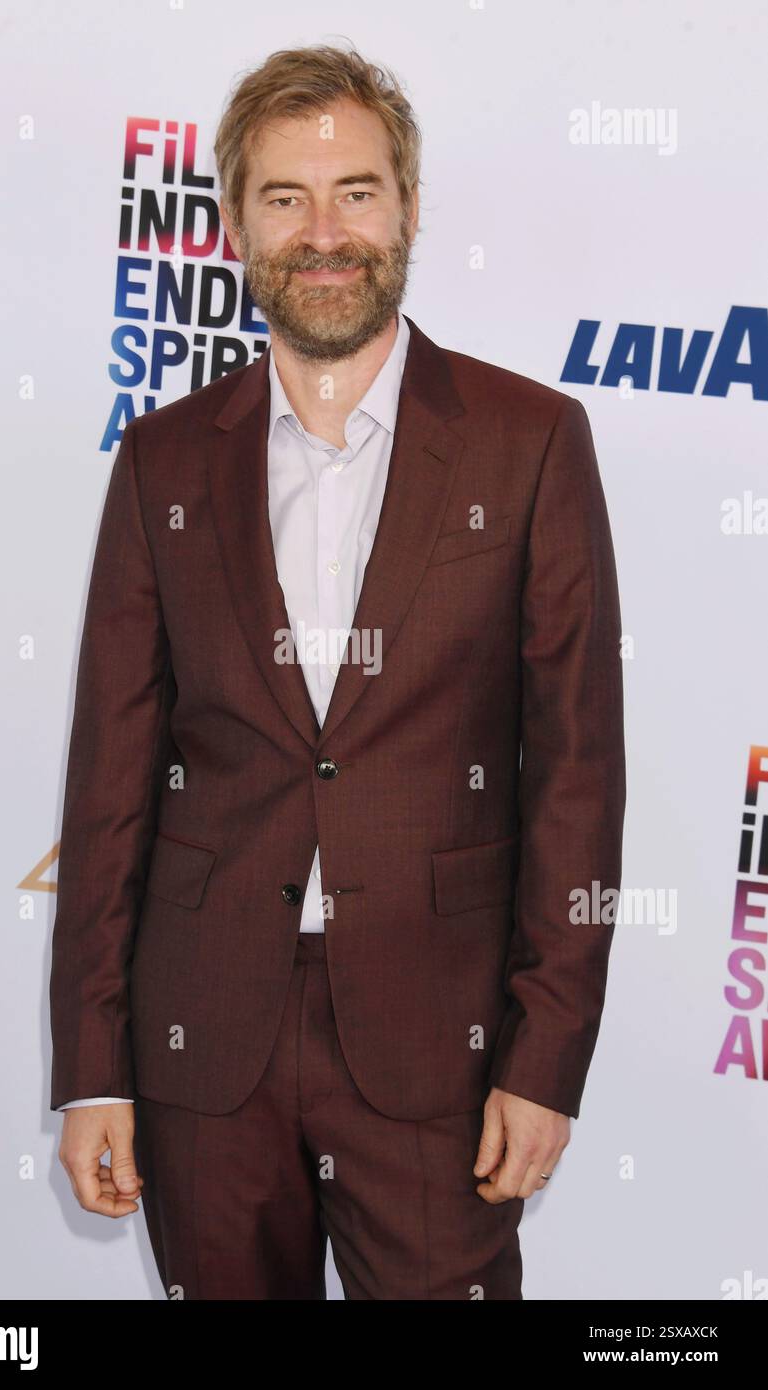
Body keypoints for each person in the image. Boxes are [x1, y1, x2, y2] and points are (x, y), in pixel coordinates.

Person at [50, 42, 625, 1300]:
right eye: (286, 199)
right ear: (233, 225)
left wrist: (544, 1056)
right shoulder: (160, 465)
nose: (325, 234)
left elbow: (576, 779)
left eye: (356, 194)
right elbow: (110, 782)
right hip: (205, 1044)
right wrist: (95, 1065)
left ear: (408, 209)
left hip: (439, 1045)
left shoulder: (528, 444)